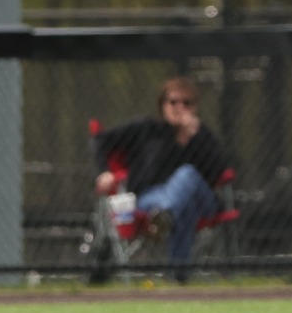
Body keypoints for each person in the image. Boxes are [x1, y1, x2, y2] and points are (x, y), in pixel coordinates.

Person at [93, 76, 234, 267]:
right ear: (162, 104)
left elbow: (220, 172)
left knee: (187, 174)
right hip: (151, 198)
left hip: (201, 201)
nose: (179, 107)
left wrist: (197, 137)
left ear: (195, 107)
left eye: (187, 103)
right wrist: (104, 171)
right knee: (185, 207)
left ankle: (166, 214)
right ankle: (178, 276)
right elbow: (101, 140)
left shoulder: (202, 135)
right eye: (173, 102)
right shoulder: (146, 129)